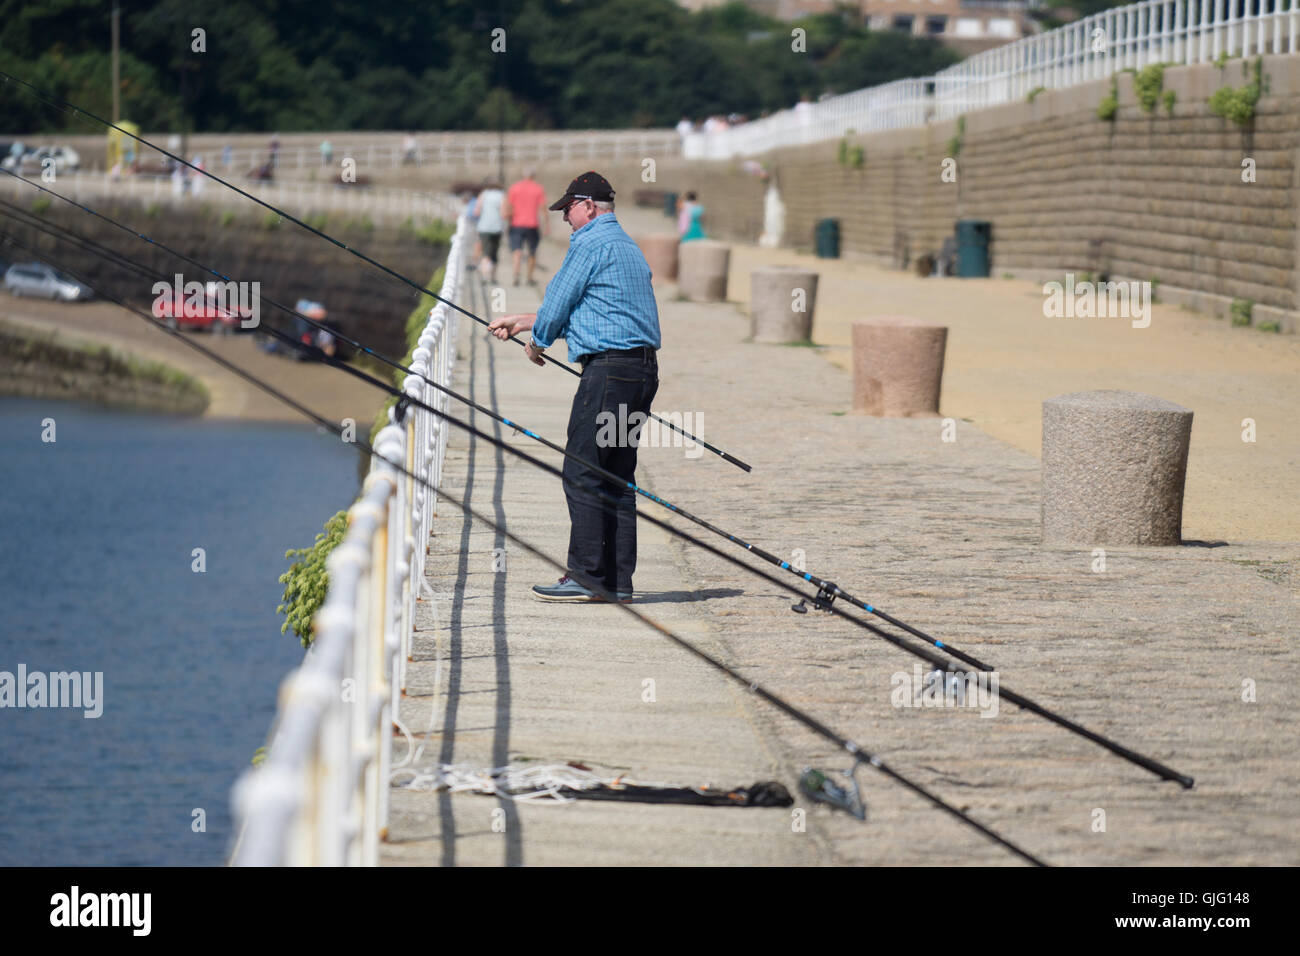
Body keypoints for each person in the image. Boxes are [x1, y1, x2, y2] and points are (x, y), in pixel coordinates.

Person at [487, 172, 660, 603]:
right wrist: (527, 320)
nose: (564, 217)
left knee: (583, 470)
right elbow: (601, 308)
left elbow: (561, 297)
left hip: (608, 375)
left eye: (568, 209)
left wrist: (539, 340)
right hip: (640, 373)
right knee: (617, 475)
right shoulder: (626, 246)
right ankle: (617, 582)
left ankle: (585, 573)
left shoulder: (589, 242)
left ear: (588, 206)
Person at [503, 168, 547, 286]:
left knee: (517, 251)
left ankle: (516, 275)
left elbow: (508, 206)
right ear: (533, 176)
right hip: (532, 224)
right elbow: (543, 208)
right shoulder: (538, 188)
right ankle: (529, 277)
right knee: (532, 252)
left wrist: (508, 221)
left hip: (516, 224)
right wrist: (546, 225)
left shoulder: (514, 188)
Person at [474, 179, 506, 283]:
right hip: (497, 227)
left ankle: (484, 276)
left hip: (484, 227)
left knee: (486, 253)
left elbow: (477, 212)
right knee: (494, 252)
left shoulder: (484, 195)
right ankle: (493, 277)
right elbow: (503, 213)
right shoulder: (501, 195)